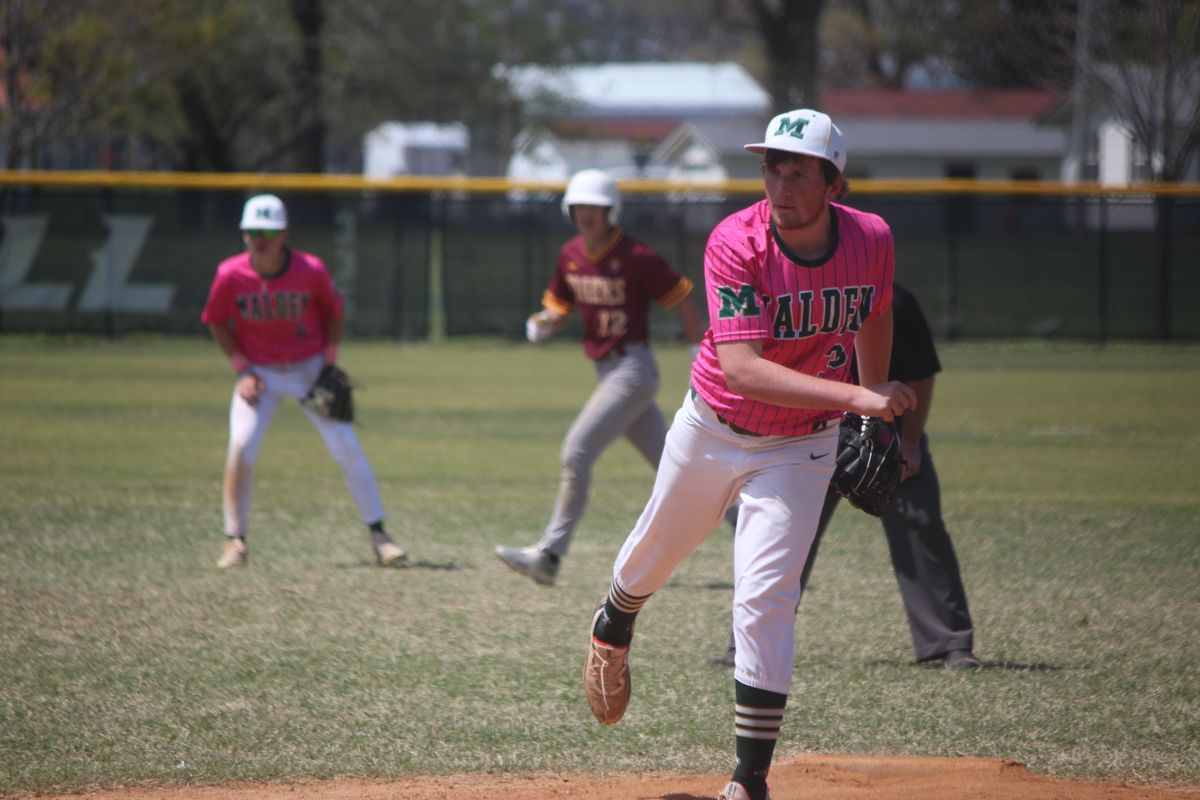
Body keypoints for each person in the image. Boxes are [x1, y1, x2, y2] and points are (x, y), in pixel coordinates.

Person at [580, 109, 917, 800]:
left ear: (833, 183)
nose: (781, 184)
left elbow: (875, 310)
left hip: (802, 444)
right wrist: (860, 398)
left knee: (766, 598)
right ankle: (613, 625)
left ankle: (748, 783)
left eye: (799, 171)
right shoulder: (736, 241)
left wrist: (871, 408)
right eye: (772, 167)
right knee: (651, 560)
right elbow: (741, 368)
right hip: (714, 429)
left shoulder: (871, 238)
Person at [708, 282, 980, 671]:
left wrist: (912, 443)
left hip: (885, 433)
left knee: (919, 521)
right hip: (806, 431)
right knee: (780, 533)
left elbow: (920, 375)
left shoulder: (895, 302)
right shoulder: (794, 301)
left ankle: (950, 644)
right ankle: (747, 646)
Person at [494, 168, 705, 586]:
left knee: (576, 453)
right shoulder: (570, 253)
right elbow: (559, 307)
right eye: (580, 206)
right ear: (569, 210)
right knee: (679, 468)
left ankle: (549, 557)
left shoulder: (636, 256)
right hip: (608, 371)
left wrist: (699, 350)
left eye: (596, 206)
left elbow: (681, 297)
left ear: (611, 210)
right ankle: (745, 524)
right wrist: (544, 324)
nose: (587, 213)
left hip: (633, 370)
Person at [201, 194, 405, 569]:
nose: (260, 238)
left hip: (308, 368)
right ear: (243, 234)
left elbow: (334, 312)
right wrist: (242, 370)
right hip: (259, 374)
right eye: (252, 231)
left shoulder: (310, 270)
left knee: (346, 447)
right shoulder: (230, 273)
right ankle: (235, 542)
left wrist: (328, 365)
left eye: (268, 230)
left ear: (284, 234)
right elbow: (215, 320)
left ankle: (381, 537)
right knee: (241, 447)